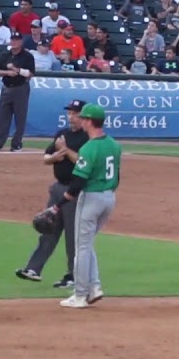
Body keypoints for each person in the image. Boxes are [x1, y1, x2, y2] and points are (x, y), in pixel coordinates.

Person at [51, 103, 121, 309]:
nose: (80, 120)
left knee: (81, 246)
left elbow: (78, 182)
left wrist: (58, 205)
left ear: (89, 121)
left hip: (91, 198)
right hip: (109, 198)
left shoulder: (89, 148)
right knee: (87, 243)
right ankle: (95, 287)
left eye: (83, 118)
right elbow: (118, 177)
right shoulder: (114, 144)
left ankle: (80, 294)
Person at [15, 99, 90, 288]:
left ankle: (73, 276)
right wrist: (54, 157)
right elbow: (46, 158)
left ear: (84, 117)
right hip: (57, 189)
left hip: (75, 191)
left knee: (73, 236)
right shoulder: (61, 134)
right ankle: (33, 269)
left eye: (76, 114)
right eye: (70, 113)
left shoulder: (88, 138)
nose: (71, 117)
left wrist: (64, 150)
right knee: (48, 227)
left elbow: (83, 163)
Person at [0, 32, 35, 152]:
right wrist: (8, 72)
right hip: (6, 87)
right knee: (2, 117)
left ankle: (17, 144)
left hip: (21, 87)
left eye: (17, 40)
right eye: (13, 39)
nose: (14, 42)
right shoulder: (5, 55)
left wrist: (16, 69)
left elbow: (30, 73)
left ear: (21, 41)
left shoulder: (27, 56)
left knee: (20, 117)